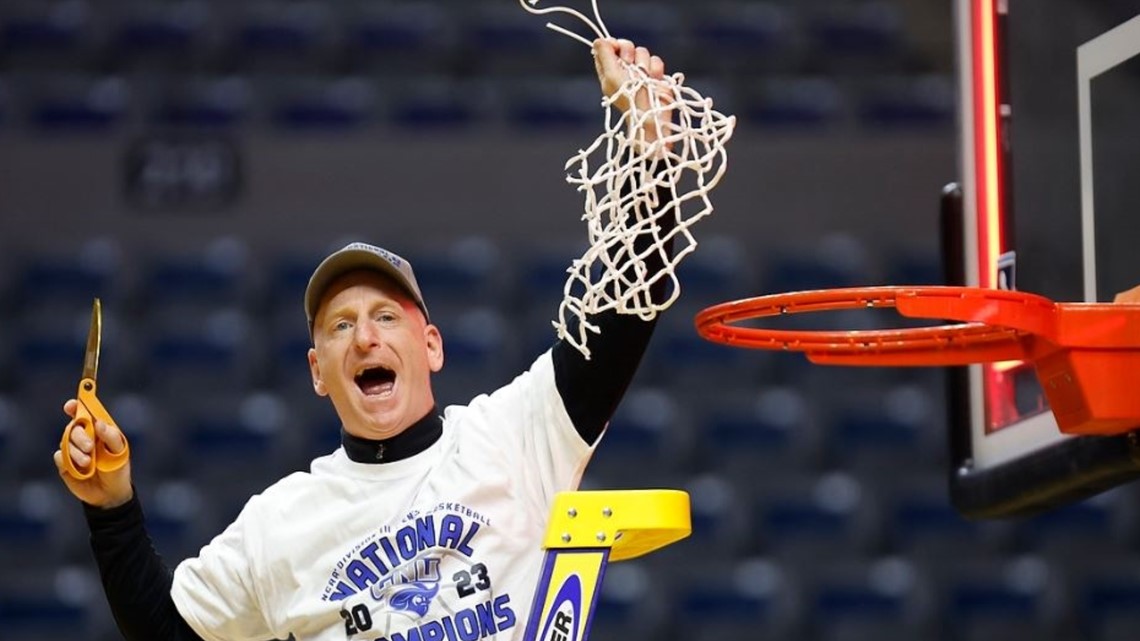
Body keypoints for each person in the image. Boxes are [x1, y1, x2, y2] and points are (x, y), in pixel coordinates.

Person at [55, 38, 678, 641]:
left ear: (430, 345)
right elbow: (166, 631)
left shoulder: (513, 435)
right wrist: (112, 507)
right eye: (340, 326)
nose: (363, 339)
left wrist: (650, 149)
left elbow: (625, 308)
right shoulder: (281, 523)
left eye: (385, 317)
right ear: (317, 371)